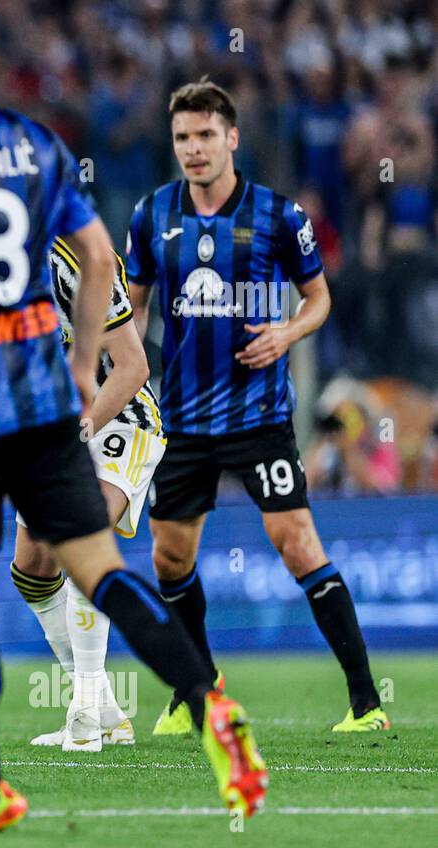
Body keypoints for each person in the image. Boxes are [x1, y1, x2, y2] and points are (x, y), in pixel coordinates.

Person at [0, 0, 266, 834]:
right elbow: (106, 255)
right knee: (96, 570)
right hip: (42, 409)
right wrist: (79, 367)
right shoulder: (38, 147)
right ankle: (207, 703)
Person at [125, 79, 389, 734]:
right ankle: (200, 689)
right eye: (183, 137)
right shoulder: (151, 215)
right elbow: (131, 306)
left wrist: (288, 332)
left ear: (232, 138)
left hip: (257, 416)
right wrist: (125, 372)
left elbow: (318, 298)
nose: (193, 149)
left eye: (205, 135)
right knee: (169, 559)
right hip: (181, 419)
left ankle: (366, 702)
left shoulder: (278, 216)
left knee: (296, 543)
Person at [13, 235, 166, 752]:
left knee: (82, 536)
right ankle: (104, 708)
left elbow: (133, 367)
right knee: (32, 567)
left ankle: (82, 711)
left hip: (118, 415)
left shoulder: (77, 259)